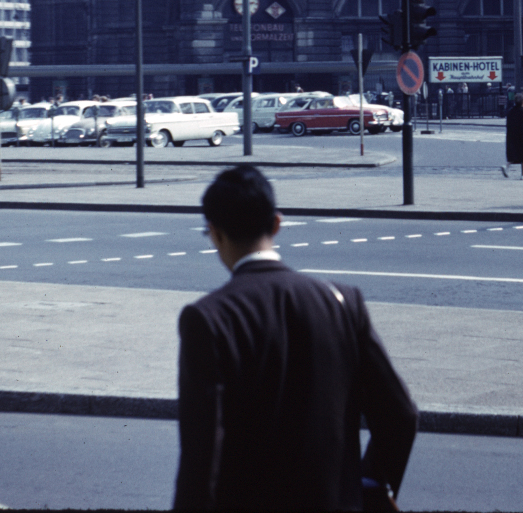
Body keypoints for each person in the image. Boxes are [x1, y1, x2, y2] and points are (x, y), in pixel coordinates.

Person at [174, 166, 417, 511]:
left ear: (214, 233)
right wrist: (371, 484)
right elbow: (400, 413)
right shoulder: (343, 302)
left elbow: (201, 453)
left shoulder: (209, 318)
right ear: (276, 224)